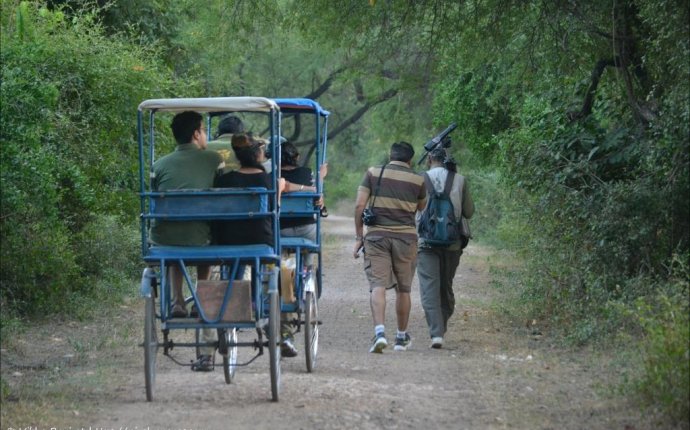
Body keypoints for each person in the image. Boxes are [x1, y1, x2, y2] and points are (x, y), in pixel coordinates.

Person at [150, 110, 224, 319]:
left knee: (175, 238)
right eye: (203, 130)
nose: (205, 135)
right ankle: (200, 299)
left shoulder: (159, 165)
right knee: (205, 232)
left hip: (164, 238)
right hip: (200, 237)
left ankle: (177, 300)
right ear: (195, 134)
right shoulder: (213, 159)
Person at [353, 142, 426, 353]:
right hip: (406, 239)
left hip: (376, 237)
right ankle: (401, 338)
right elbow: (421, 207)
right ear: (410, 160)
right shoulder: (418, 179)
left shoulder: (373, 173)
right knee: (404, 289)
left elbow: (359, 205)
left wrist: (359, 236)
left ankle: (379, 333)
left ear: (390, 155)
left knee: (378, 285)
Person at [416, 147, 474, 349]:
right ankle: (442, 326)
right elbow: (469, 212)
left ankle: (436, 333)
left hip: (425, 243)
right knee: (446, 285)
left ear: (430, 158)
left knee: (429, 288)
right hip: (453, 242)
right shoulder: (460, 179)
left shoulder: (419, 179)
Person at [278, 140, 324, 357]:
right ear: (296, 158)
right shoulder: (307, 174)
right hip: (307, 231)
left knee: (285, 268)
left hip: (282, 233)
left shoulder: (272, 177)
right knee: (307, 258)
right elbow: (319, 201)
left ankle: (285, 329)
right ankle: (307, 279)